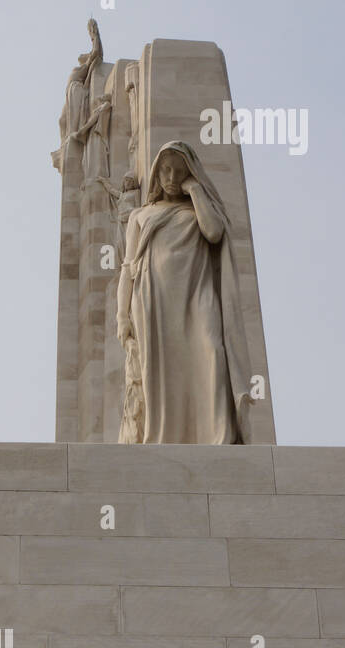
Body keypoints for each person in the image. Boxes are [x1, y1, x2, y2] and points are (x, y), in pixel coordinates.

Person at [116, 141, 253, 444]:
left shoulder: (200, 207)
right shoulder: (141, 215)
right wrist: (121, 316)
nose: (171, 177)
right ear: (155, 173)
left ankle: (219, 436)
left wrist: (195, 190)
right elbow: (128, 267)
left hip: (196, 293)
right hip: (154, 299)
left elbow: (214, 231)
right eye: (165, 170)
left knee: (211, 350)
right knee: (159, 372)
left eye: (179, 171)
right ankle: (162, 436)